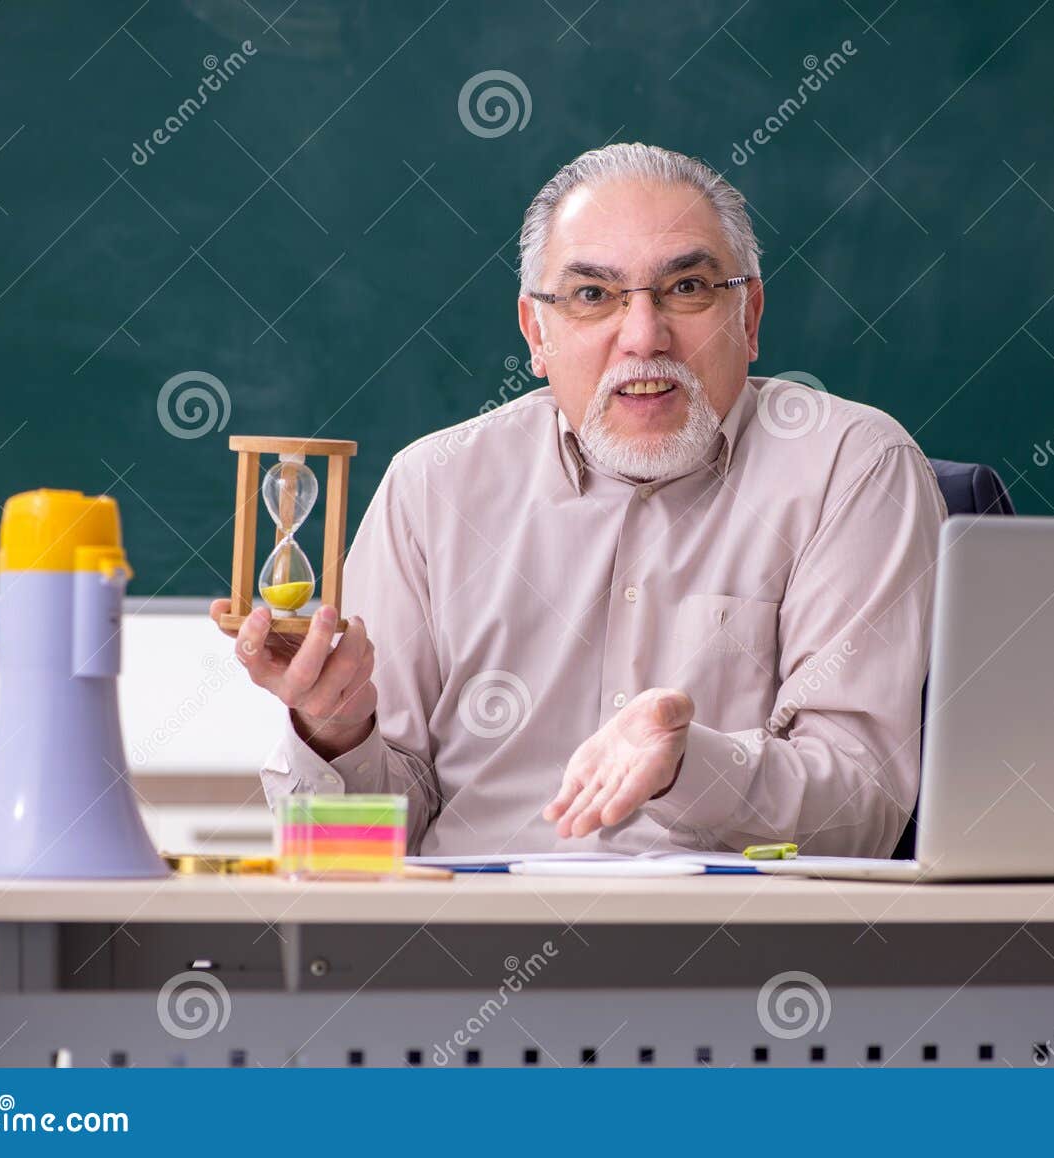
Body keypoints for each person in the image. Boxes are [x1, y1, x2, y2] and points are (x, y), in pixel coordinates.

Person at [211, 142, 946, 856]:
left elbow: (863, 814)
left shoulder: (852, 468)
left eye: (687, 288)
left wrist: (688, 763)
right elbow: (356, 848)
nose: (643, 335)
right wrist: (333, 732)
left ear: (749, 317)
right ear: (536, 331)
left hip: (729, 957)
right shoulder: (432, 488)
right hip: (458, 945)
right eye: (593, 295)